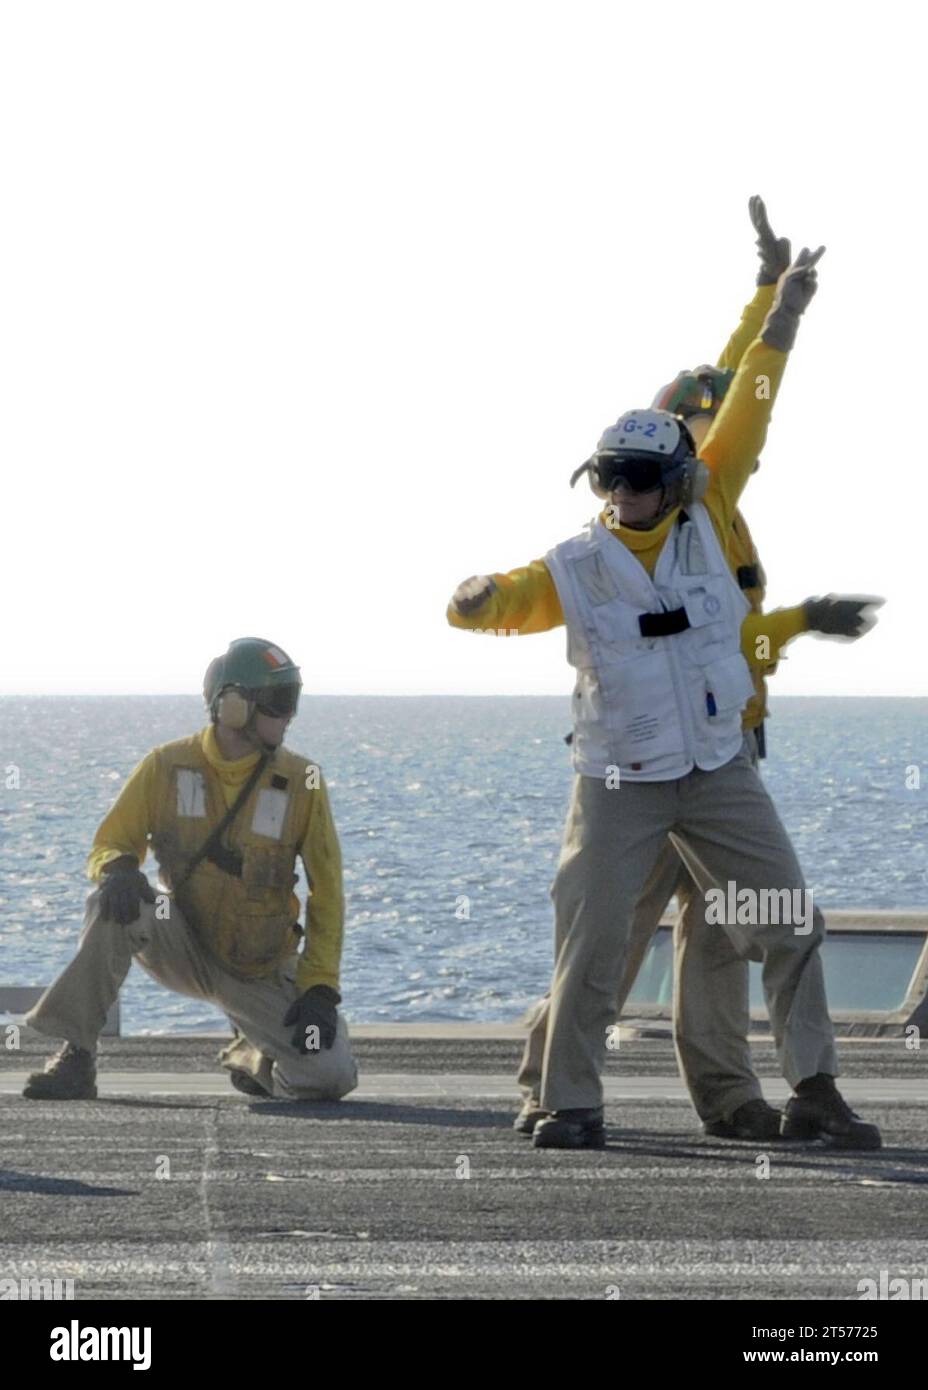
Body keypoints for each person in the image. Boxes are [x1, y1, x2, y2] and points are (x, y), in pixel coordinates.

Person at [448, 239, 883, 1151]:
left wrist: (784, 313)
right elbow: (509, 600)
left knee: (781, 920)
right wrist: (476, 601)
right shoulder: (577, 563)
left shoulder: (711, 507)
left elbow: (749, 392)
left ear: (681, 476)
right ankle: (565, 1100)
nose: (629, 493)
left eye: (645, 478)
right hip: (621, 781)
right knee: (598, 939)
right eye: (614, 478)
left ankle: (809, 1089)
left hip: (721, 762)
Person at [22, 637, 358, 1103]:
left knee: (329, 1076)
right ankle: (76, 1054)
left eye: (292, 702)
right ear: (234, 706)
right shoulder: (166, 767)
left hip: (258, 968)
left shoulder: (302, 781)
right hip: (180, 938)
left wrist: (321, 986)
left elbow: (328, 892)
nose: (289, 716)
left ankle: (254, 1055)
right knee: (112, 901)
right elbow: (110, 842)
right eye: (280, 703)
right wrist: (117, 867)